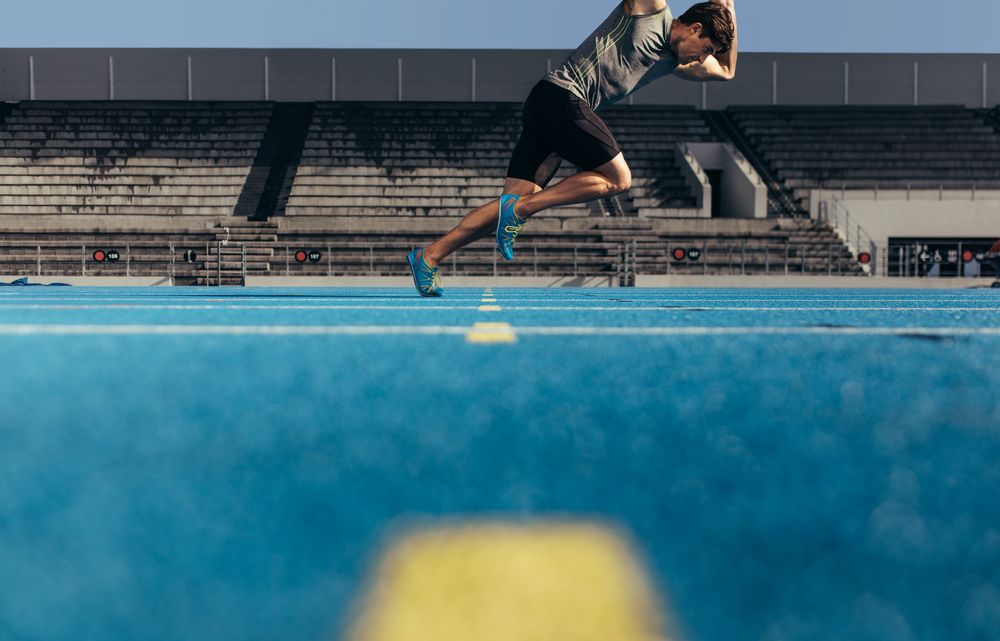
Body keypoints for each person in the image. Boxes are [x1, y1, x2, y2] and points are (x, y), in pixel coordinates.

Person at [407, 0, 738, 296]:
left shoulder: (675, 62)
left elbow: (727, 71)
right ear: (695, 28)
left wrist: (727, 4)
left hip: (548, 106)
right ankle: (522, 211)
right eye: (706, 47)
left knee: (508, 203)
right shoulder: (650, 11)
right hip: (562, 96)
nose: (704, 57)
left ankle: (430, 256)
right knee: (619, 180)